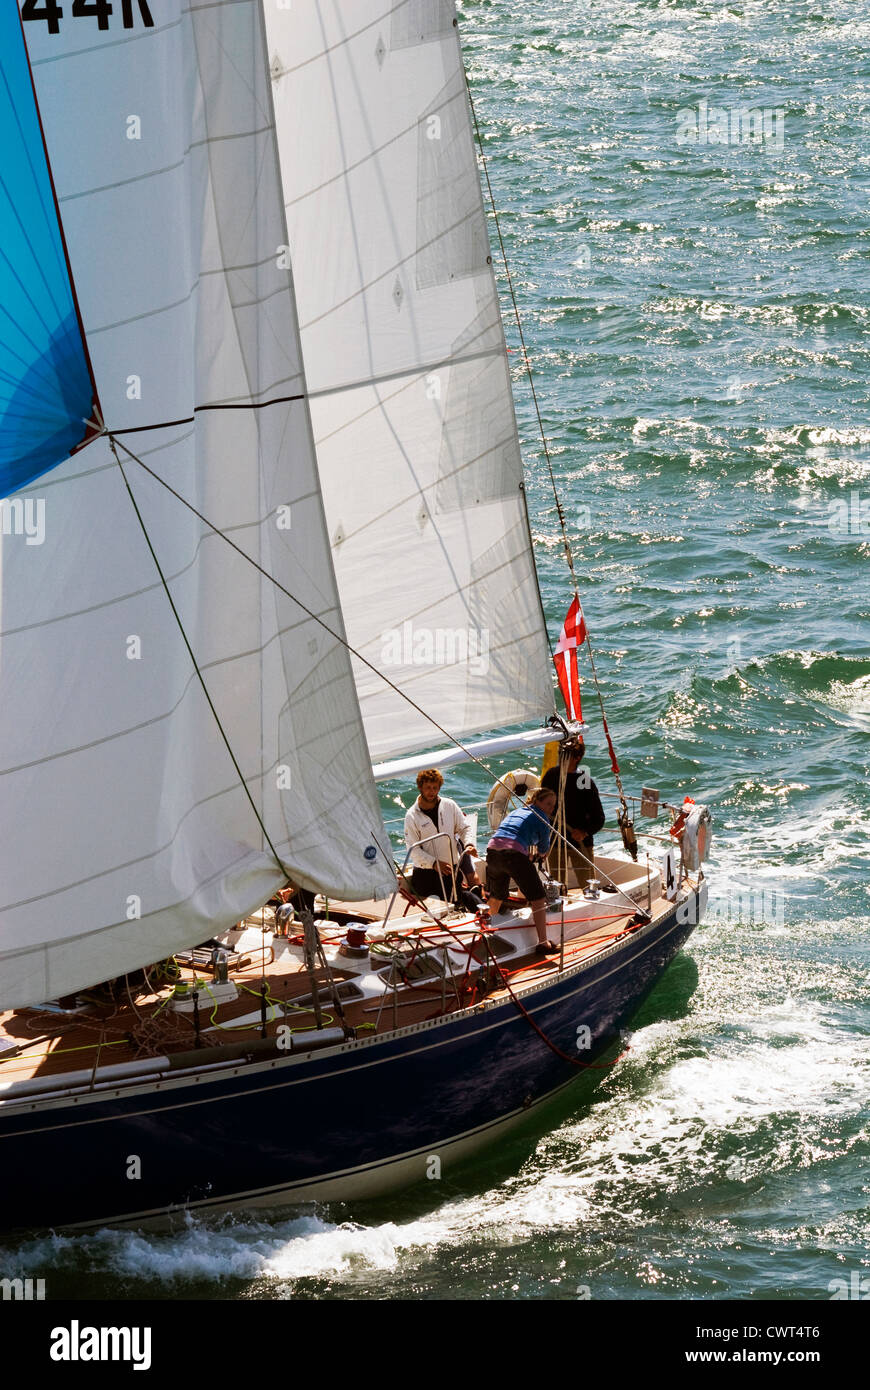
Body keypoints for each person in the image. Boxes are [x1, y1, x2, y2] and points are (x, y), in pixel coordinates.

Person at [486, 786, 558, 955]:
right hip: (513, 854)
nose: (550, 808)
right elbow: (543, 849)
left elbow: (513, 835)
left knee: (496, 897)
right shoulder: (542, 818)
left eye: (553, 806)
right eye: (548, 804)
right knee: (538, 898)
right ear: (537, 801)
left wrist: (529, 857)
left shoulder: (517, 812)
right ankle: (543, 943)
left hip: (492, 851)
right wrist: (540, 855)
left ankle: (488, 935)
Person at [404, 769, 484, 911]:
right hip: (426, 875)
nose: (431, 791)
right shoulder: (411, 815)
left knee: (456, 910)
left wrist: (469, 844)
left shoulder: (449, 805)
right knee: (433, 915)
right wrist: (434, 863)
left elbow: (464, 828)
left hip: (451, 872)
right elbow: (412, 849)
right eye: (428, 787)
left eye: (435, 788)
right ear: (420, 787)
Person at [542, 738, 605, 891]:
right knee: (555, 887)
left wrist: (584, 832)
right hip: (555, 841)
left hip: (580, 843)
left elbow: (599, 818)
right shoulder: (551, 776)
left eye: (566, 755)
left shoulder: (585, 782)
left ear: (578, 758)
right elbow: (541, 806)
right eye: (560, 754)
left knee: (588, 885)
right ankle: (559, 911)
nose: (561, 758)